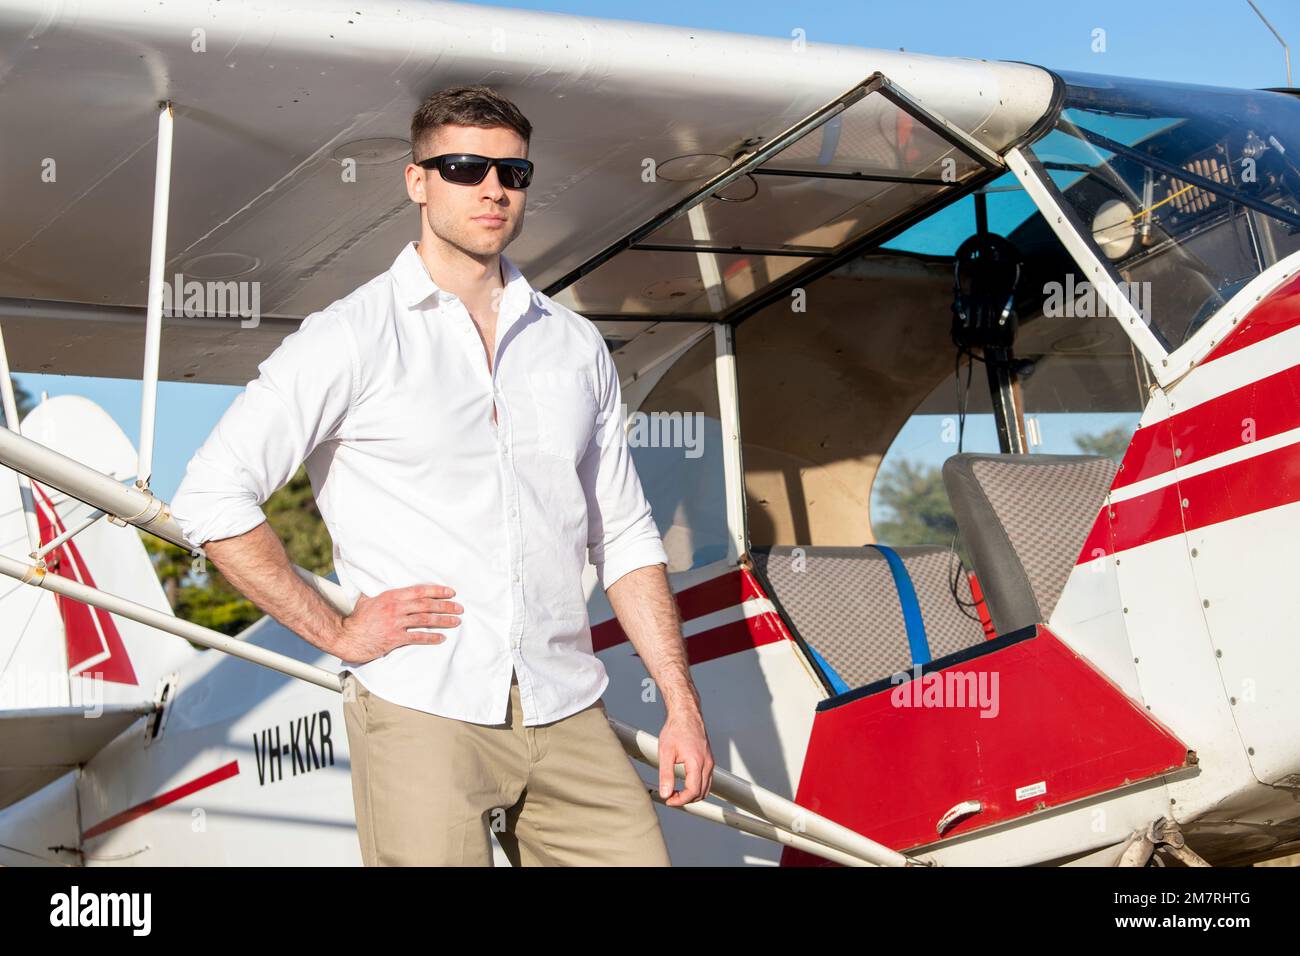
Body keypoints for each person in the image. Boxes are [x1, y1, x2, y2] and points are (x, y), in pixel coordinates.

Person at [169, 84, 714, 866]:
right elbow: (211, 495)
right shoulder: (349, 336)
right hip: (421, 705)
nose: (492, 188)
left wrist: (680, 704)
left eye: (512, 173)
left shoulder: (574, 346)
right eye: (463, 167)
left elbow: (623, 533)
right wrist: (340, 632)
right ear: (417, 181)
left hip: (567, 707)